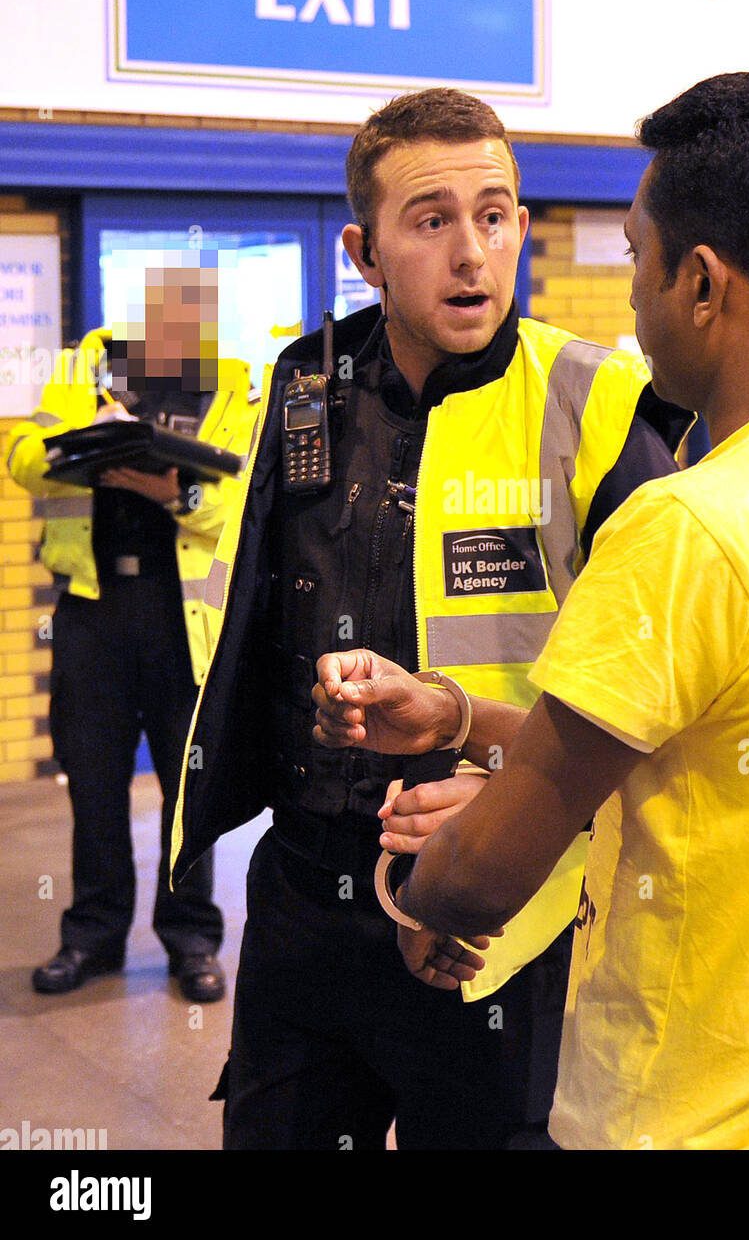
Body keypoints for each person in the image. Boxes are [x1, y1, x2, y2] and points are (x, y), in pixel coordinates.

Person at [314, 69, 749, 1150]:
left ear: (704, 284)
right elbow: (697, 739)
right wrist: (452, 713)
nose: (631, 293)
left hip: (696, 1122)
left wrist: (420, 894)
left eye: (637, 256)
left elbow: (488, 870)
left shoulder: (692, 527)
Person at [169, 86, 687, 1149]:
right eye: (432, 219)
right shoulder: (300, 384)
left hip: (499, 910)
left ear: (523, 228)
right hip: (307, 897)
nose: (471, 254)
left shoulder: (597, 406)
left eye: (494, 216)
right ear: (365, 250)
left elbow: (661, 694)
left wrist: (511, 810)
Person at [8, 265, 257, 1002]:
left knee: (189, 787)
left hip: (181, 615)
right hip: (92, 609)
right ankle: (92, 937)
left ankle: (191, 942)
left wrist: (169, 489)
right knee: (94, 778)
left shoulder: (235, 388)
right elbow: (24, 457)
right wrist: (90, 460)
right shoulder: (81, 371)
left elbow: (237, 501)